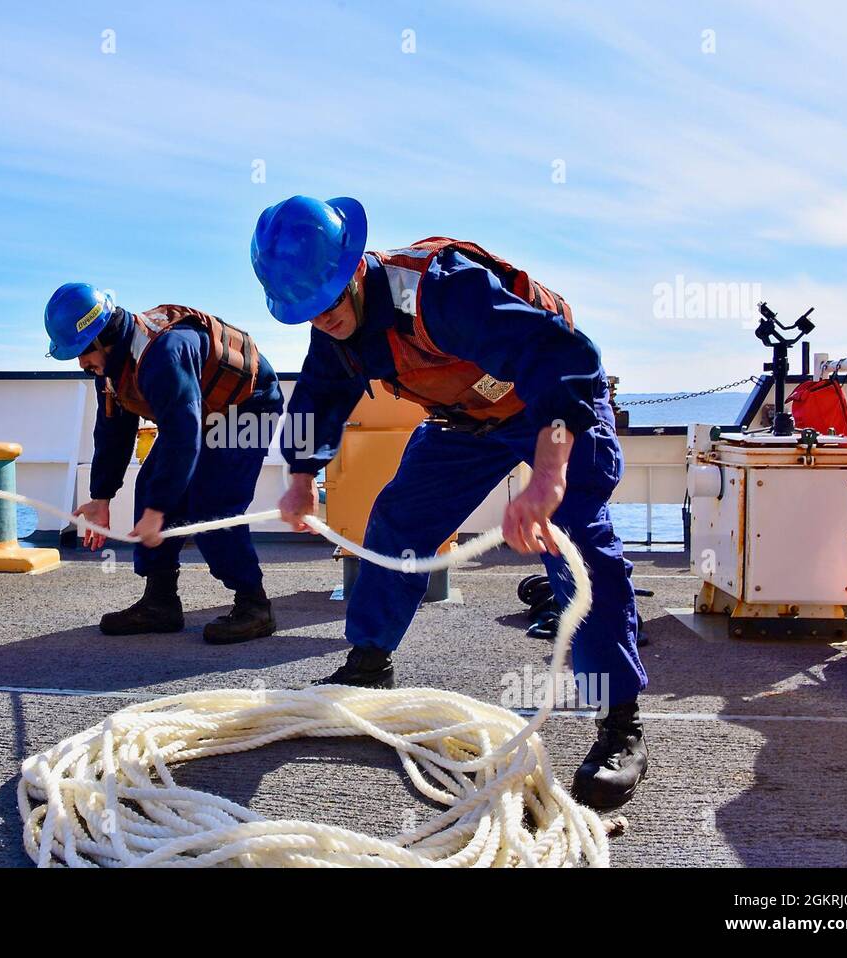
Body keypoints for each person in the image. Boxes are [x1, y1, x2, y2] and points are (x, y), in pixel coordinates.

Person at [249, 196, 649, 808]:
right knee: (398, 519)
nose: (322, 318)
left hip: (551, 407)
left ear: (356, 268)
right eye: (307, 309)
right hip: (465, 420)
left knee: (578, 550)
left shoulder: (442, 290)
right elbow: (319, 400)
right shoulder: (332, 327)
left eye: (328, 300)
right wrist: (302, 477)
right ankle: (369, 664)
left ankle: (620, 724)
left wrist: (548, 475)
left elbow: (566, 362)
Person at [45, 283, 283, 644]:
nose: (81, 363)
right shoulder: (111, 364)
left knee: (212, 504)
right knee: (151, 481)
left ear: (101, 338)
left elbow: (182, 437)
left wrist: (158, 511)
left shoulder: (162, 355)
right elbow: (112, 427)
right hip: (200, 409)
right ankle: (160, 601)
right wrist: (102, 497)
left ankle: (254, 605)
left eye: (81, 352)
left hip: (248, 406)